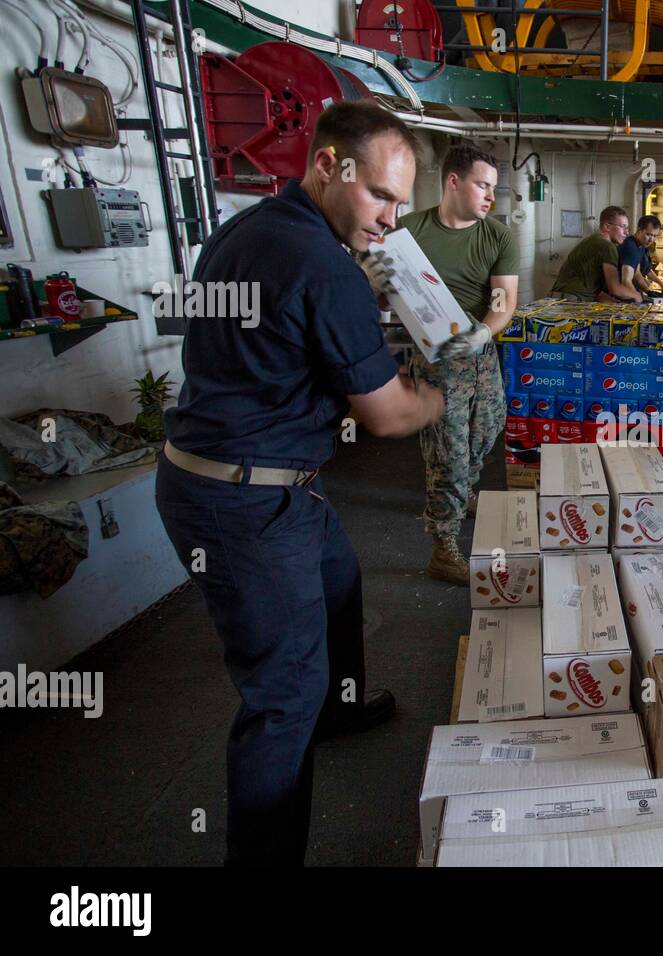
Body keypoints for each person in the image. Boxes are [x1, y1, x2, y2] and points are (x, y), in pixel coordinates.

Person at [155, 101, 445, 865]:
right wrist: (439, 396)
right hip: (246, 500)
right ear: (327, 165)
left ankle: (337, 708)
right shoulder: (323, 266)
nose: (389, 220)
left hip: (241, 476)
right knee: (280, 697)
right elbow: (385, 416)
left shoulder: (247, 230)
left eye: (400, 205)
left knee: (339, 579)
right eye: (380, 196)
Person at [380, 144, 519, 585]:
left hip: (481, 355)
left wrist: (484, 331)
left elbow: (504, 300)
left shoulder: (498, 236)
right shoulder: (406, 232)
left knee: (487, 430)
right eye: (482, 185)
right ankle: (444, 546)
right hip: (438, 362)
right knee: (449, 456)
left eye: (494, 188)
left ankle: (463, 494)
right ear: (453, 181)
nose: (489, 197)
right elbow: (383, 294)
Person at [551, 205, 642, 302]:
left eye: (627, 228)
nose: (627, 232)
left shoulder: (592, 241)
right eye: (623, 227)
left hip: (559, 299)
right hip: (570, 302)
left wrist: (615, 303)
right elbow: (615, 289)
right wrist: (637, 295)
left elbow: (591, 291)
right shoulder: (607, 246)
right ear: (607, 226)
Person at [619, 214, 663, 300]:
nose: (651, 239)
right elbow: (626, 281)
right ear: (639, 230)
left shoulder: (641, 246)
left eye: (654, 236)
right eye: (648, 234)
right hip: (617, 295)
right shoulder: (631, 247)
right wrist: (639, 299)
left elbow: (637, 273)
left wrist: (649, 292)